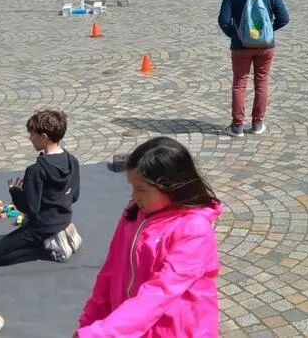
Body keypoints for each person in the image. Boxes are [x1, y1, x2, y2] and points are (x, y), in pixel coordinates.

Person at [75, 137, 222, 337]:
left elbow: (159, 293)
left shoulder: (194, 231)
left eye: (141, 189)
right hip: (129, 326)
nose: (134, 196)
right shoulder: (134, 213)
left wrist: (102, 333)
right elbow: (111, 270)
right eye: (133, 187)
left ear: (170, 185)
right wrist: (89, 321)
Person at [0, 109, 83, 267]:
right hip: (64, 218)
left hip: (42, 226)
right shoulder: (72, 160)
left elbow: (31, 209)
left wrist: (15, 192)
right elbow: (75, 195)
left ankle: (43, 247)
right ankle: (61, 233)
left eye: (32, 135)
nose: (30, 139)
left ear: (44, 137)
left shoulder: (36, 170)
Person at [217, 0, 290, 137]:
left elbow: (223, 21)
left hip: (241, 46)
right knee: (262, 83)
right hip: (265, 46)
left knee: (239, 84)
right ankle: (257, 123)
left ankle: (237, 126)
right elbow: (284, 18)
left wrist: (237, 35)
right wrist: (266, 32)